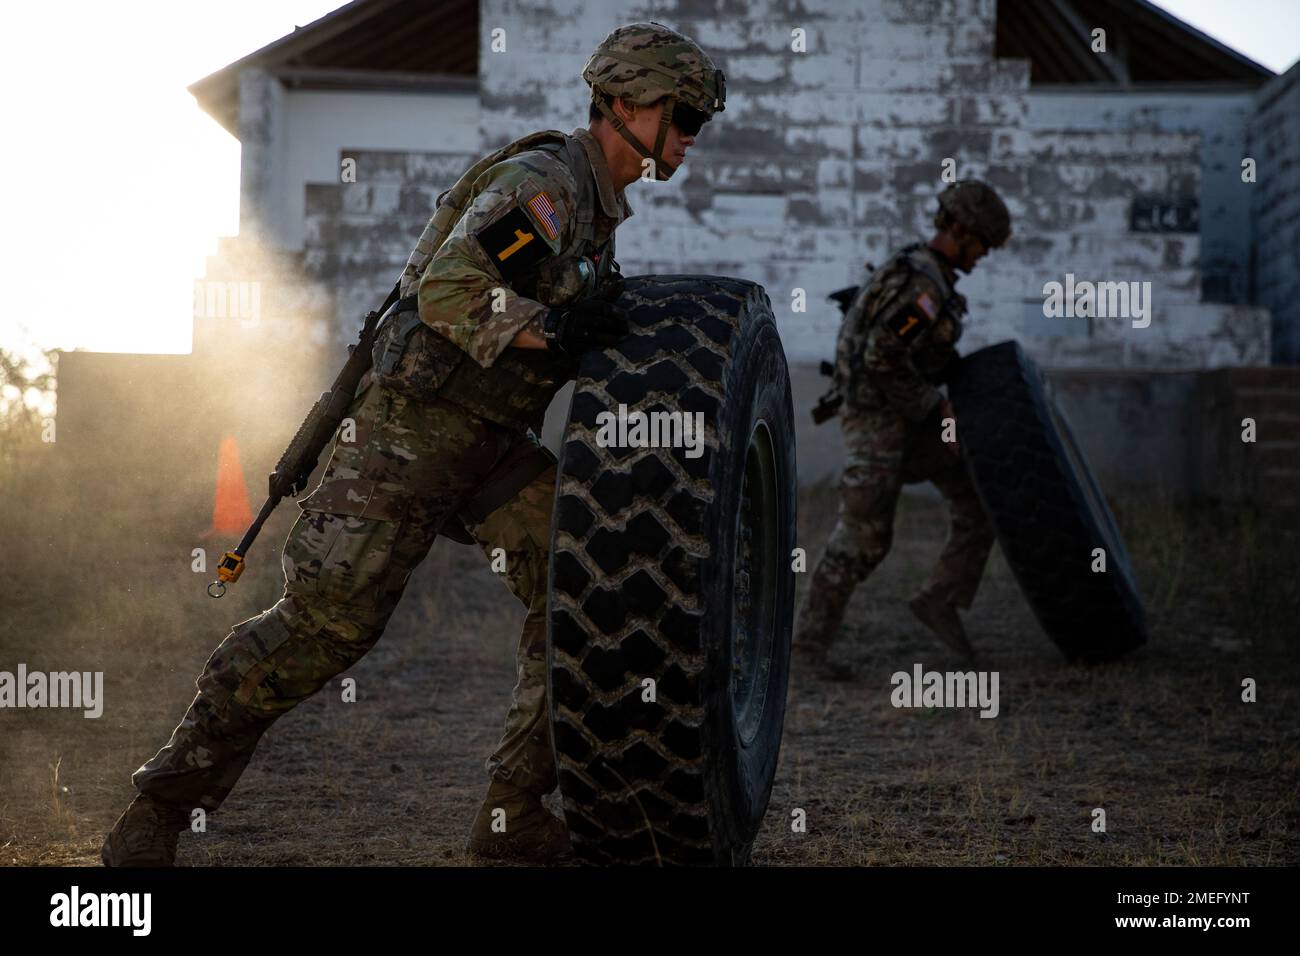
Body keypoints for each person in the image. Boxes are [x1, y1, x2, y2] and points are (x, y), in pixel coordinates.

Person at [102, 21, 725, 866]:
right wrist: (555, 326)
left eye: (700, 121)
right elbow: (448, 290)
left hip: (489, 448)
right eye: (683, 114)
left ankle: (510, 816)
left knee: (581, 589)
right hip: (408, 435)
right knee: (324, 629)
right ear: (627, 103)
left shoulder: (597, 209)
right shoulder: (547, 187)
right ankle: (161, 807)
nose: (690, 135)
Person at [796, 181, 1012, 679]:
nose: (983, 255)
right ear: (958, 230)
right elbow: (881, 357)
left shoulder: (930, 276)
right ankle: (806, 651)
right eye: (981, 242)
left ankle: (940, 600)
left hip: (907, 419)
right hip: (877, 420)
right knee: (864, 537)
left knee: (978, 502)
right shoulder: (924, 288)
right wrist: (938, 407)